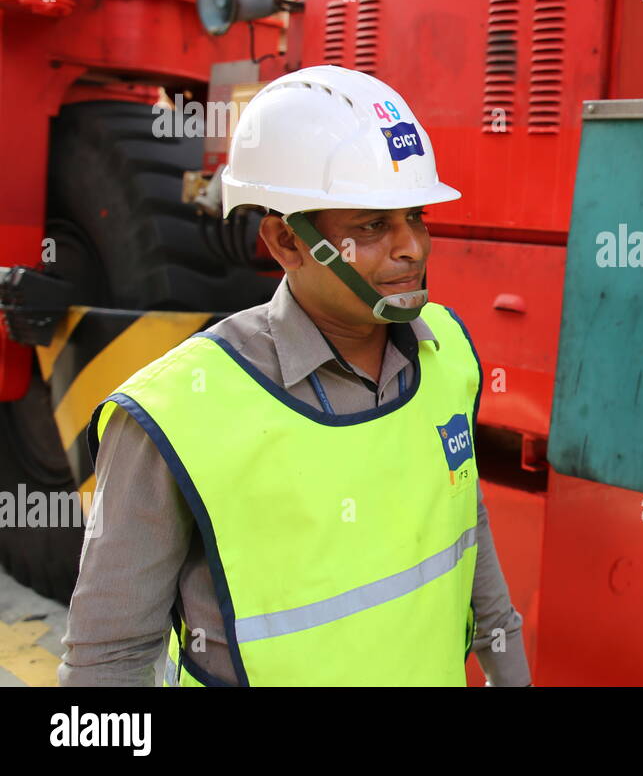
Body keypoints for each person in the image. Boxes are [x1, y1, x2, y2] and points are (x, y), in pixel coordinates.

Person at [60, 65, 530, 686]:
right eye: (373, 225)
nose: (412, 247)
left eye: (415, 216)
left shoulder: (447, 354)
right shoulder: (174, 416)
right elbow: (108, 659)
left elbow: (467, 529)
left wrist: (511, 675)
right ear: (286, 242)